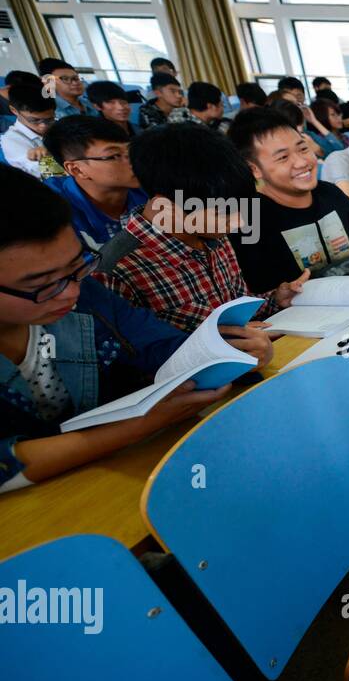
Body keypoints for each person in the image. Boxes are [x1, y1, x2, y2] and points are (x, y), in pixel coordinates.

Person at [0, 165, 271, 493]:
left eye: (77, 266)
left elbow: (161, 345)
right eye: (43, 284)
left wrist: (231, 351)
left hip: (113, 480)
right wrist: (144, 422)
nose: (71, 291)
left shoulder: (87, 295)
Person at [95, 123, 306, 332]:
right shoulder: (117, 271)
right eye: (221, 213)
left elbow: (237, 310)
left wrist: (274, 300)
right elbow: (130, 357)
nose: (239, 223)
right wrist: (217, 342)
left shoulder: (214, 236)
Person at [226, 108, 349, 293]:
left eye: (303, 148)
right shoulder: (250, 220)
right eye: (283, 157)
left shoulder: (328, 193)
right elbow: (251, 293)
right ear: (254, 169)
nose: (302, 162)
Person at [42, 117, 146, 270]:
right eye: (114, 156)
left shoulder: (152, 185)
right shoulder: (51, 213)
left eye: (132, 150)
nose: (134, 160)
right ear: (77, 169)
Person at [1, 85, 57, 178]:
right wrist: (50, 156)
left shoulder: (60, 125)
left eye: (49, 119)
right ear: (14, 110)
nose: (43, 125)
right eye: (35, 120)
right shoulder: (10, 140)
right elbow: (50, 175)